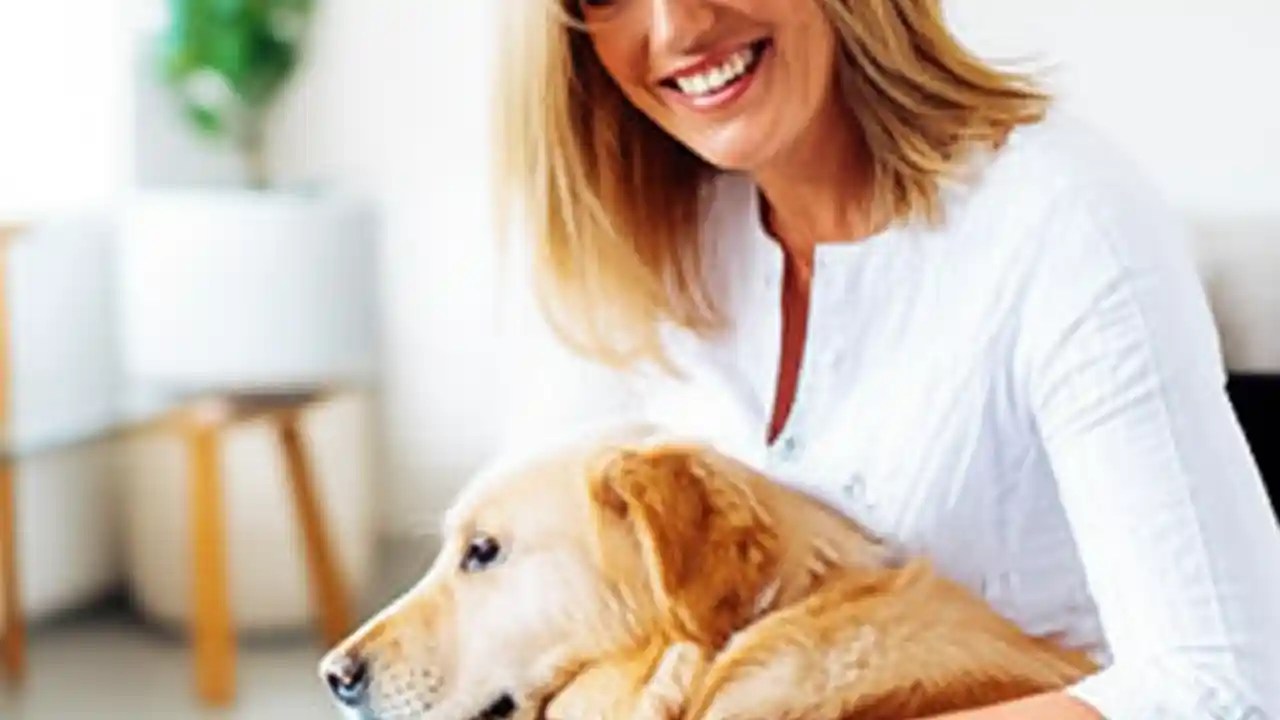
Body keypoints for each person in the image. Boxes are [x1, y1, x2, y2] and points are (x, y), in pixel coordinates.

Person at [492, 0, 1280, 717]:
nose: (677, 27)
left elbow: (1217, 686)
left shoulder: (1061, 218)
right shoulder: (647, 246)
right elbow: (513, 599)